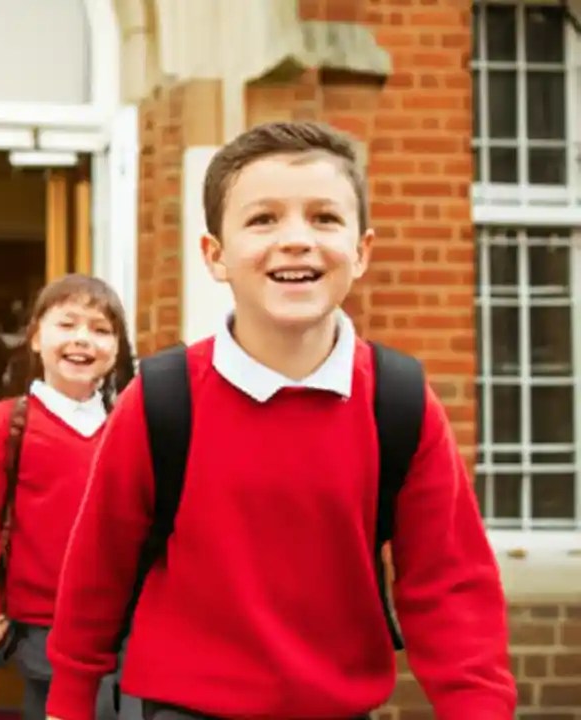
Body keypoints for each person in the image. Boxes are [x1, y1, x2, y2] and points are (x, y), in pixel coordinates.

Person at [44, 121, 516, 720]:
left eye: (324, 218)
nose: (296, 239)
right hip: (183, 709)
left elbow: (449, 587)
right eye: (263, 219)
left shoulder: (399, 402)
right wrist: (69, 703)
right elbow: (98, 571)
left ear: (362, 250)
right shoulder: (162, 399)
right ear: (214, 255)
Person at [0, 274, 135, 720]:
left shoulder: (129, 424)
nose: (82, 339)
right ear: (37, 336)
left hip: (122, 632)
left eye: (101, 330)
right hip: (43, 630)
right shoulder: (10, 423)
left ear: (117, 349)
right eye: (68, 324)